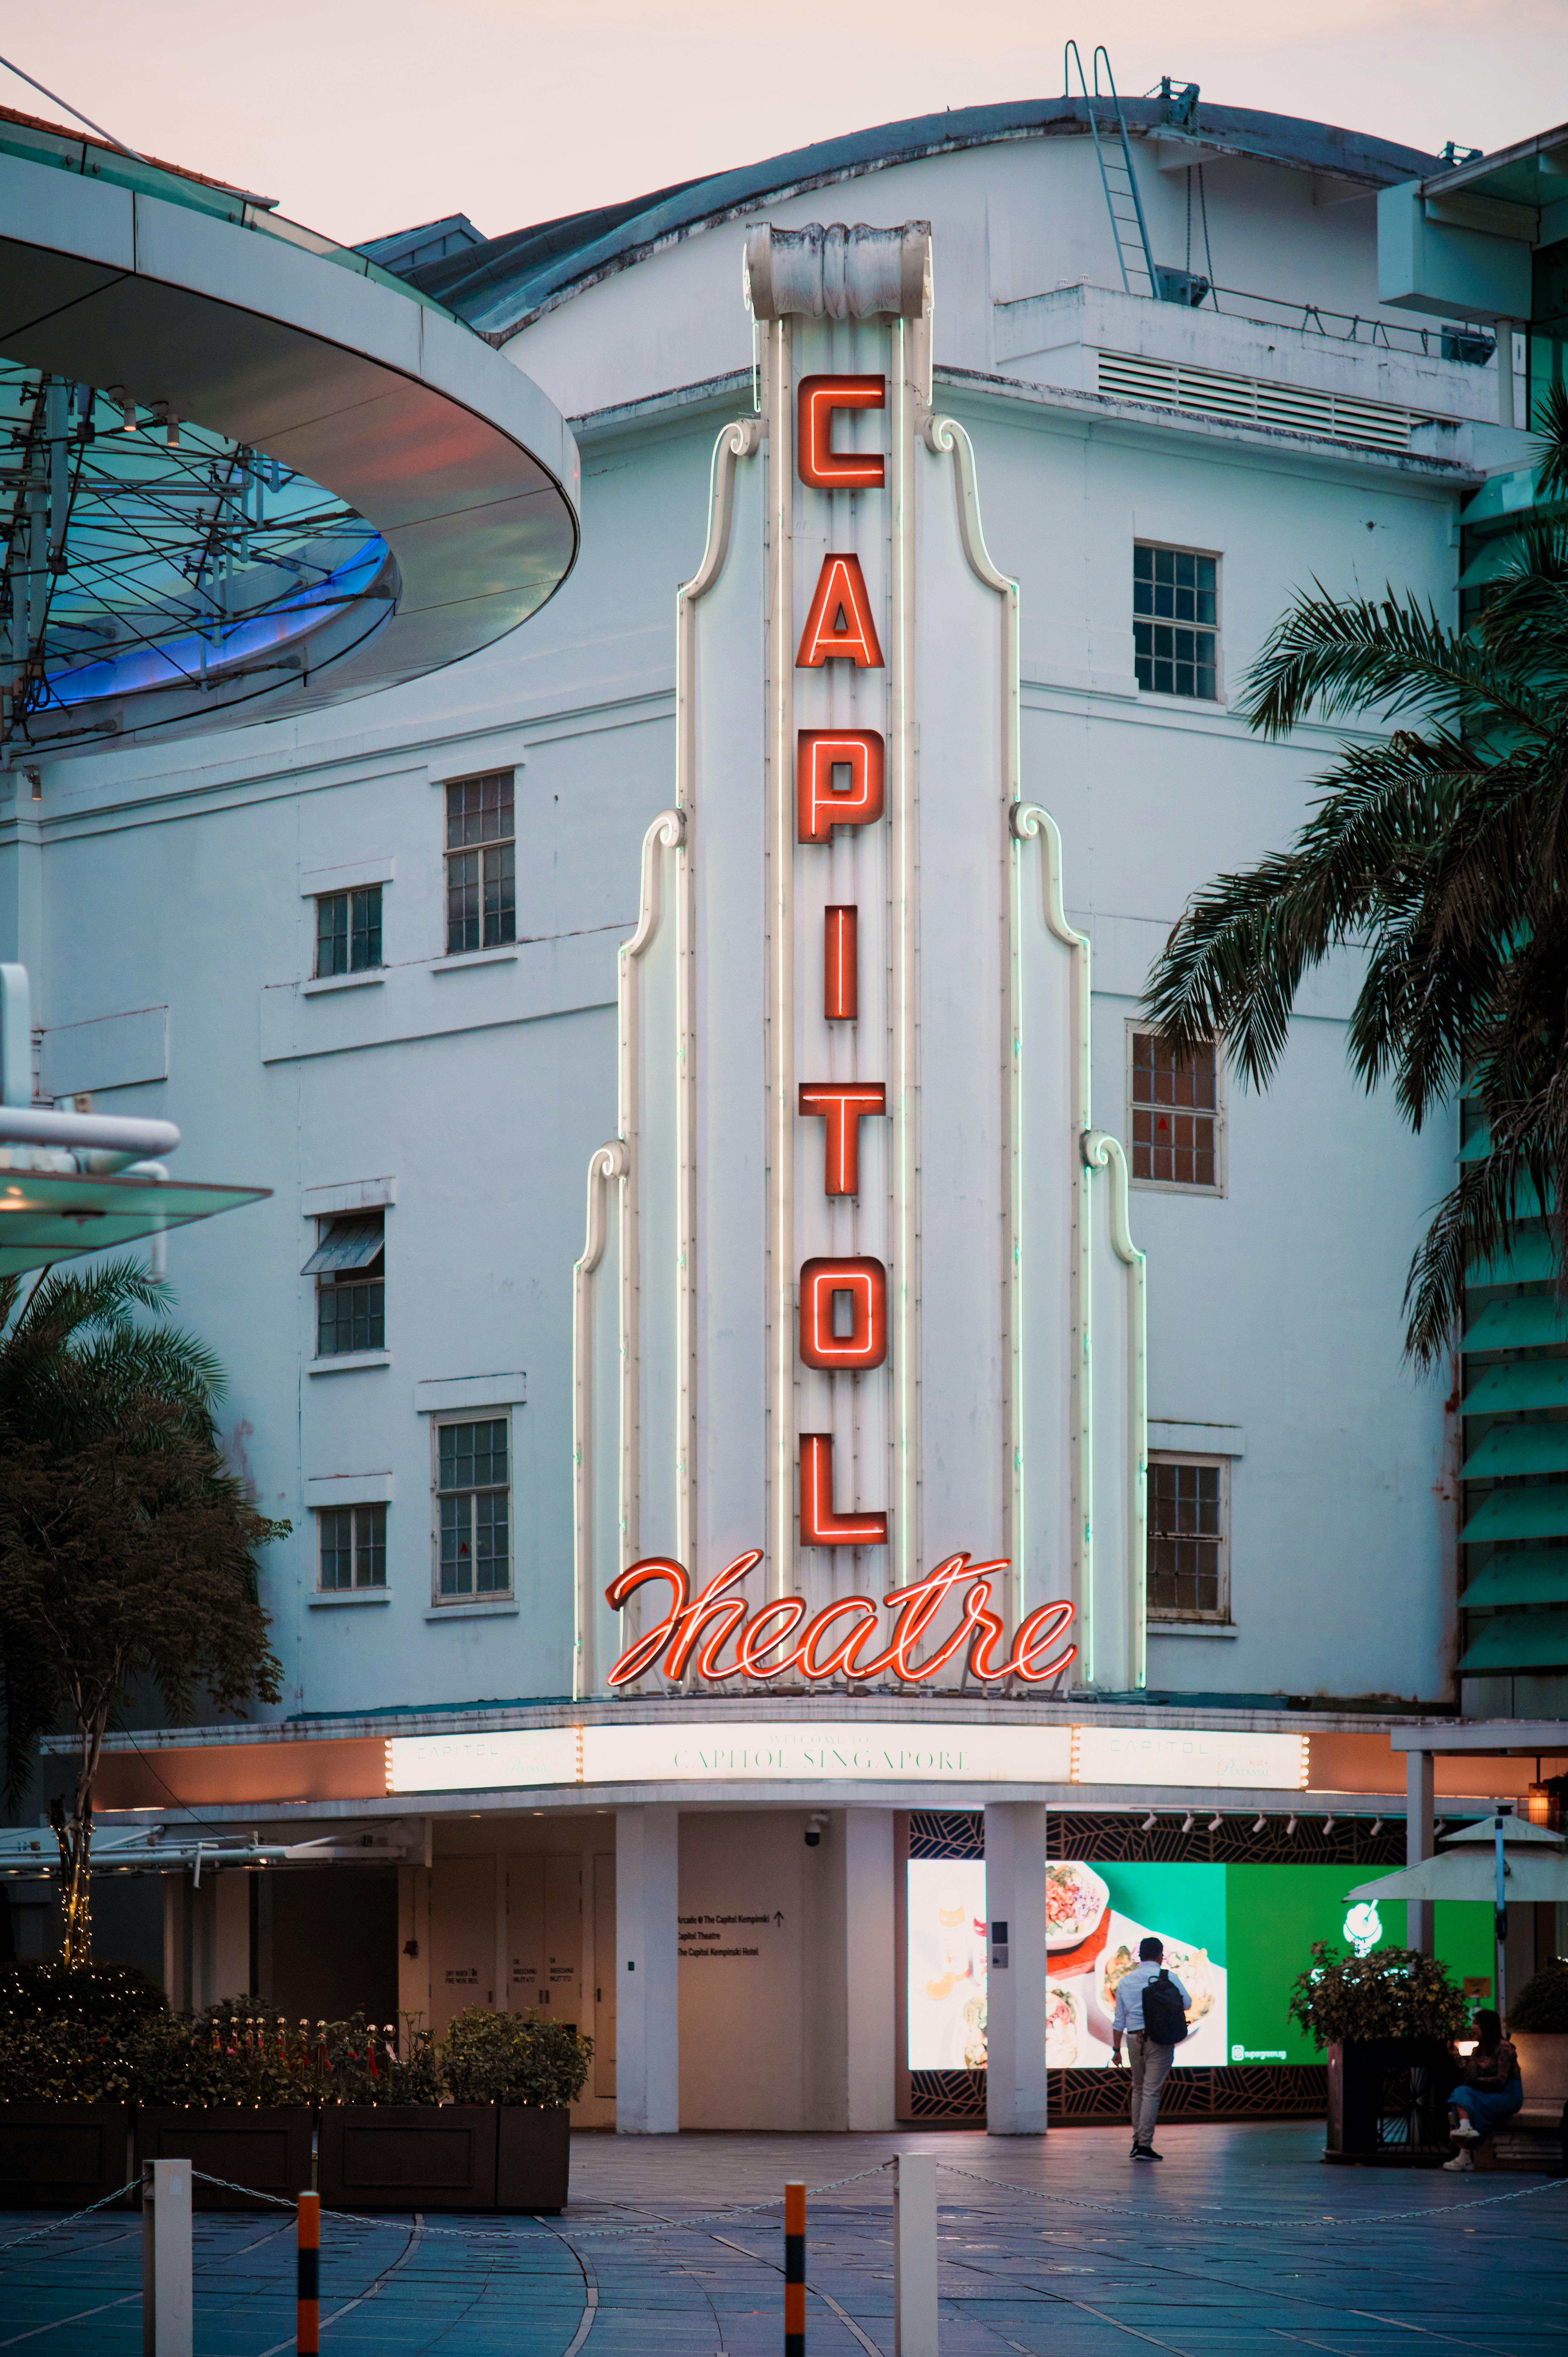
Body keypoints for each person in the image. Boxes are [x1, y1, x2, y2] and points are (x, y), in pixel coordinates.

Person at [1111, 1935, 1190, 2161]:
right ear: (1160, 1956)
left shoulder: (1126, 1981)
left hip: (1134, 2040)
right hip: (1160, 2039)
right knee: (1151, 2091)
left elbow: (1119, 2020)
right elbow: (1187, 2003)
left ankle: (1138, 2141)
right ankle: (1144, 2145)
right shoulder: (1169, 1977)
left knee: (1138, 2088)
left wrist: (1117, 2050)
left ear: (1139, 1956)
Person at [1443, 2009, 1522, 2170]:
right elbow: (1470, 2075)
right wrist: (1457, 2056)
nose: (1472, 2027)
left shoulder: (1505, 2048)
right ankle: (1466, 2131)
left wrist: (1476, 2083)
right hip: (1486, 2092)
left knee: (1466, 2098)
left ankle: (1465, 2154)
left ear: (1487, 2026)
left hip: (1507, 2094)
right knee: (1461, 2092)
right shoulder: (1478, 2050)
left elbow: (1501, 2079)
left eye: (1476, 2023)